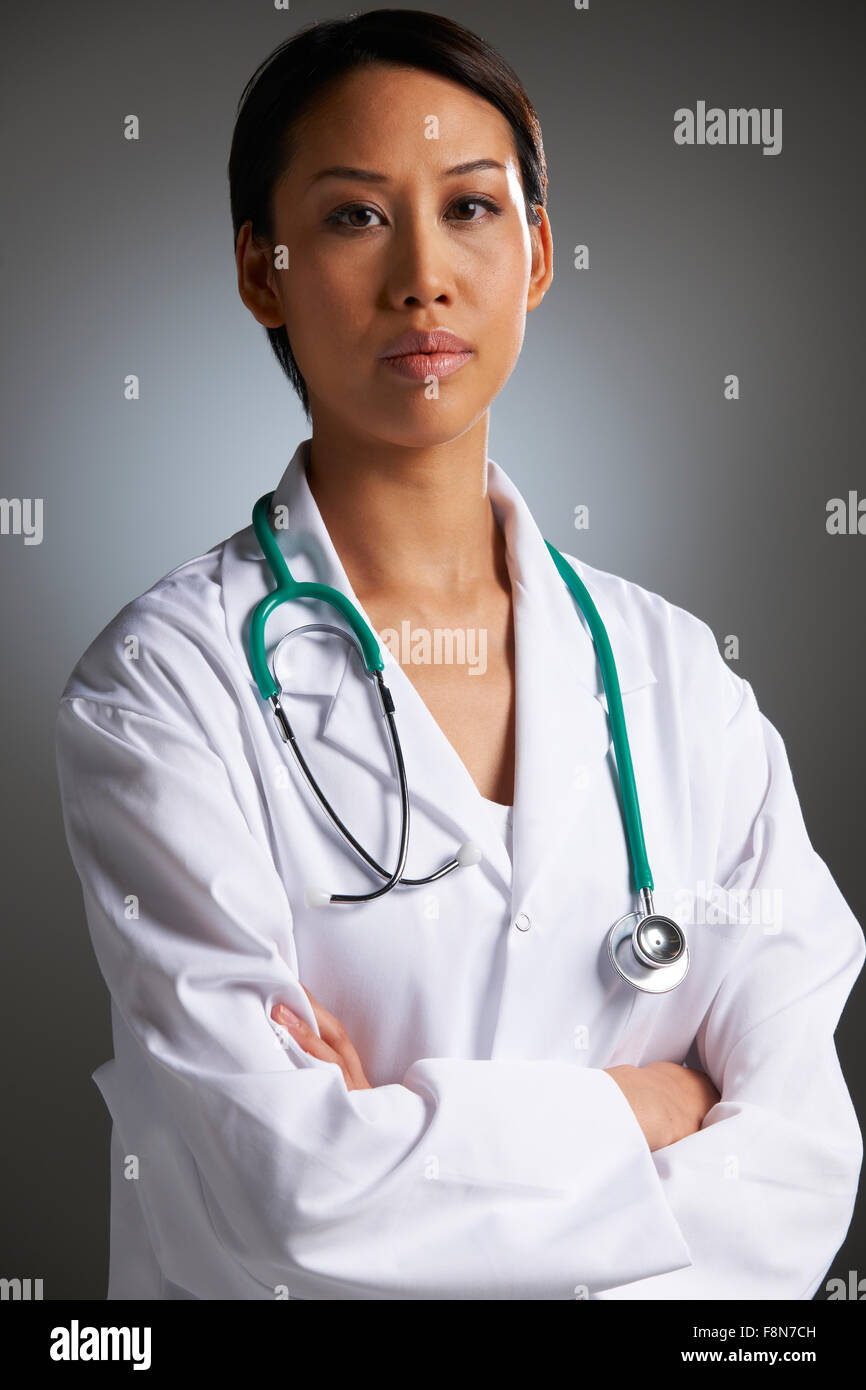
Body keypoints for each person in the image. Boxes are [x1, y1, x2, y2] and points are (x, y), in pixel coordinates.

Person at [55, 9, 864, 1300]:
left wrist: (419, 1150)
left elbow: (802, 1159)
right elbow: (291, 1195)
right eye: (353, 216)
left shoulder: (679, 683)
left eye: (473, 209)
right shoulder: (163, 687)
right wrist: (644, 1104)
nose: (421, 274)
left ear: (538, 254)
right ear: (261, 270)